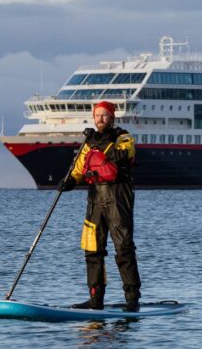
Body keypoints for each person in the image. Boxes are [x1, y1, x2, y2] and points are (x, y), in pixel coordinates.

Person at [58, 100, 142, 312]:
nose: (101, 119)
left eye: (105, 115)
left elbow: (125, 154)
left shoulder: (123, 137)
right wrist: (69, 182)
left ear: (112, 117)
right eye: (97, 116)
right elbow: (78, 169)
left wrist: (99, 148)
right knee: (92, 249)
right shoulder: (88, 142)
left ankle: (131, 299)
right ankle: (96, 300)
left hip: (118, 197)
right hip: (95, 198)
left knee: (123, 248)